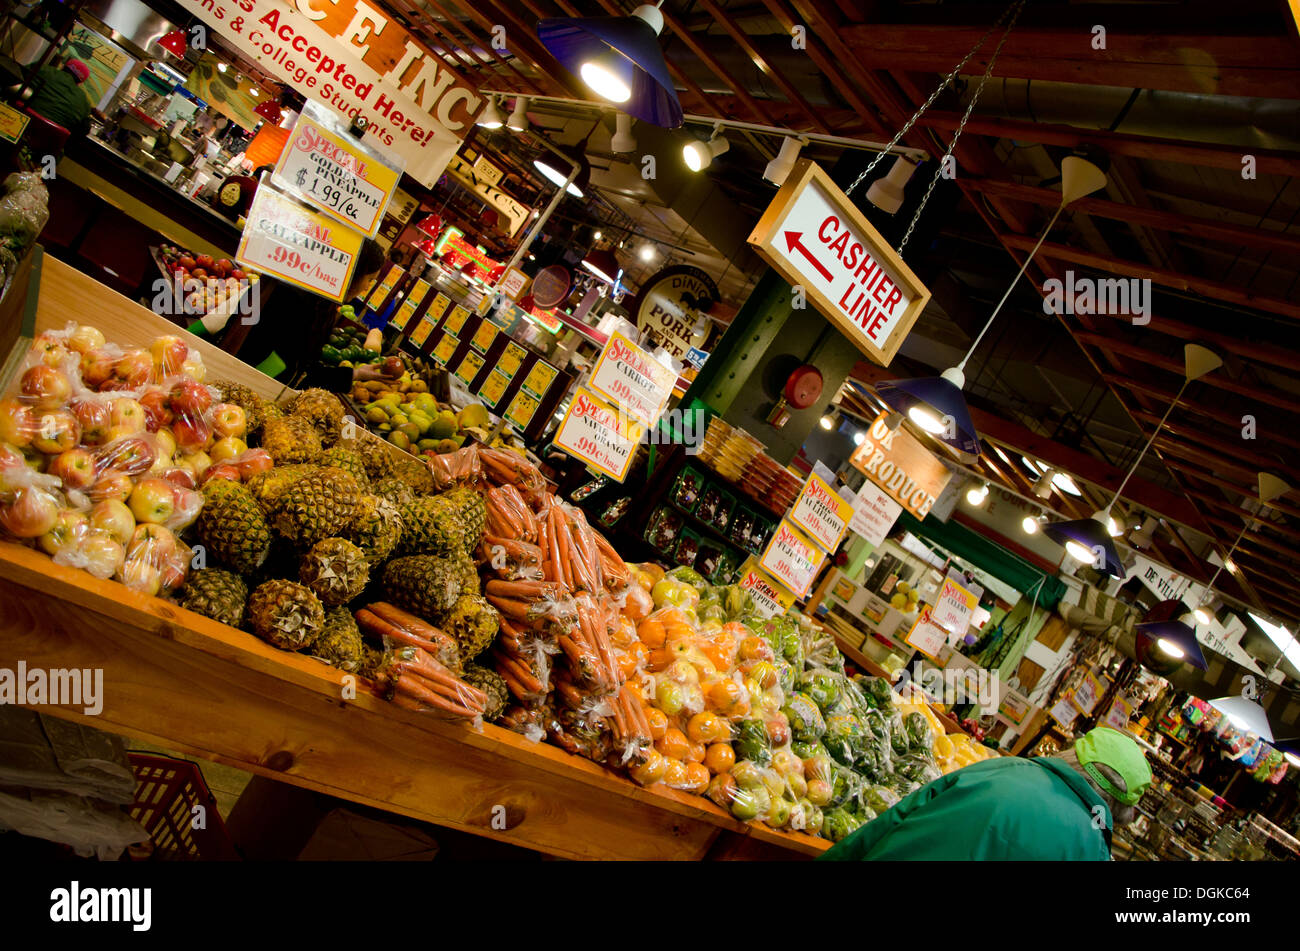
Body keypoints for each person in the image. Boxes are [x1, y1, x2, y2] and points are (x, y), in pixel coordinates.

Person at [820, 726, 1153, 861]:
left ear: (1072, 755)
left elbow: (900, 815)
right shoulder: (1092, 850)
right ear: (1119, 809)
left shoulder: (1003, 768)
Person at [238, 237, 392, 390]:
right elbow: (287, 368)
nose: (366, 288)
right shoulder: (292, 301)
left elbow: (302, 370)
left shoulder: (320, 306)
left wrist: (355, 374)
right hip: (244, 385)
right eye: (369, 279)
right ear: (353, 274)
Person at [22, 59, 93, 137]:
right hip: (47, 141)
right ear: (80, 82)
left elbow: (15, 72)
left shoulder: (44, 70)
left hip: (19, 122)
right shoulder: (84, 102)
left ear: (63, 66)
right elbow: (84, 130)